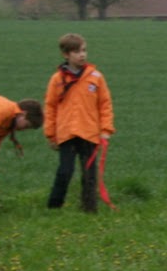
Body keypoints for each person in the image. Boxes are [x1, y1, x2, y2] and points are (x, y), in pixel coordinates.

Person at [43, 32, 114, 212]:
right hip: (66, 133)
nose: (82, 55)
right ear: (66, 55)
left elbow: (105, 105)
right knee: (65, 171)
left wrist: (106, 129)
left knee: (89, 174)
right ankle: (54, 207)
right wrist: (50, 134)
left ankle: (89, 209)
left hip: (89, 133)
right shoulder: (57, 79)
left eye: (84, 50)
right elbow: (50, 107)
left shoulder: (96, 77)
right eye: (76, 52)